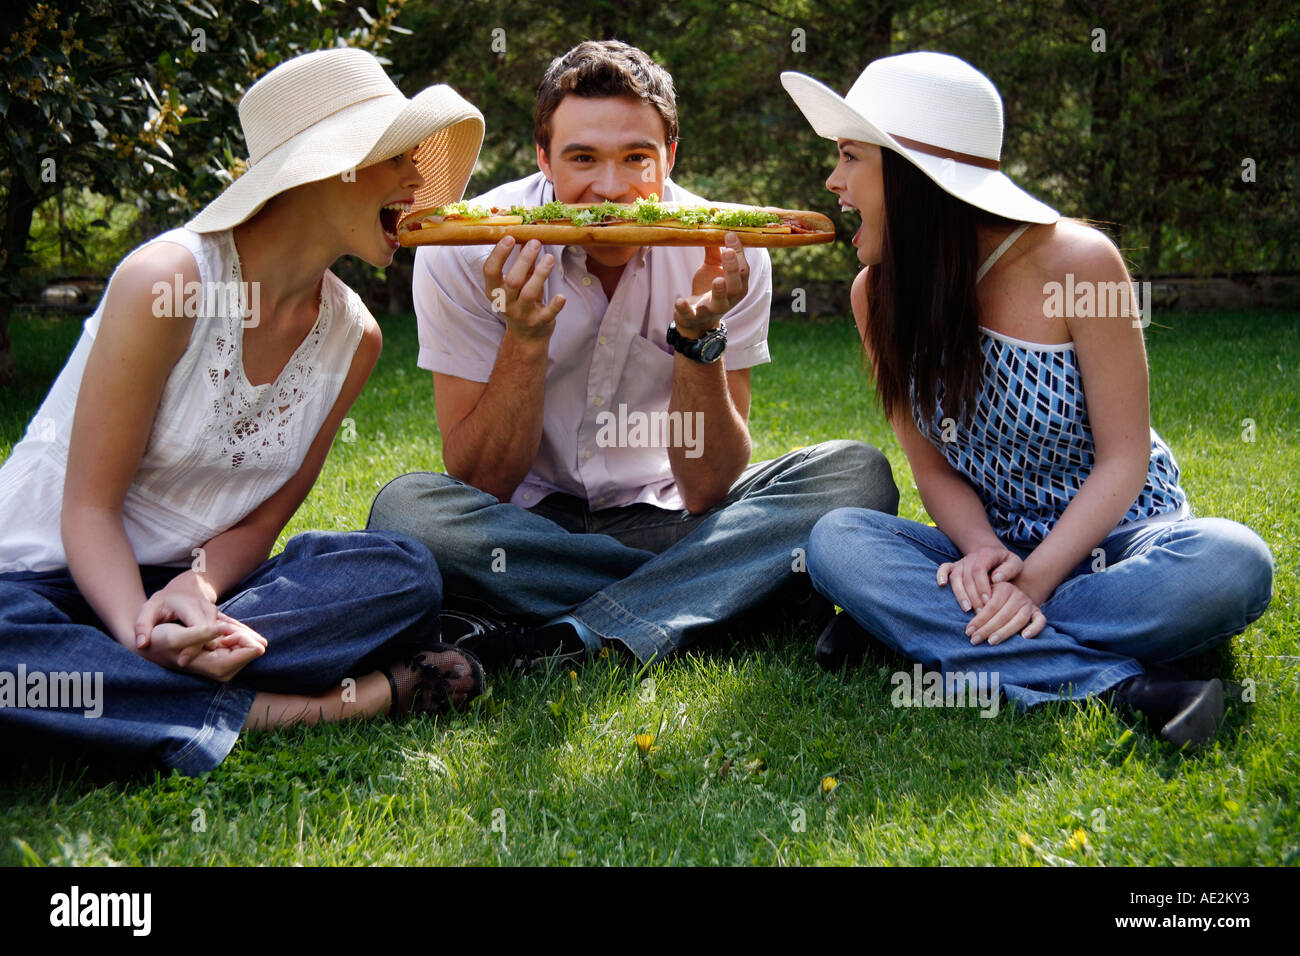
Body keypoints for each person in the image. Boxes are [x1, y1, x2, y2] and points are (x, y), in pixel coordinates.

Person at [0, 48, 489, 776]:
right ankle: (317, 707)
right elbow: (89, 513)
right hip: (46, 580)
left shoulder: (355, 337)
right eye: (396, 159)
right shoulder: (167, 281)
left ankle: (123, 696)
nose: (421, 182)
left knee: (401, 572)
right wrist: (143, 630)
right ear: (325, 167)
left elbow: (261, 524)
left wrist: (194, 590)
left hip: (209, 591)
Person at [782, 52, 1274, 747]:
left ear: (913, 175)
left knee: (1235, 564)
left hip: (1119, 546)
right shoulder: (875, 295)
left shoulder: (1079, 263)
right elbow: (934, 471)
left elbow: (1124, 459)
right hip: (985, 556)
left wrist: (1034, 584)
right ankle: (1126, 686)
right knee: (839, 542)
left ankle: (915, 632)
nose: (833, 181)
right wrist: (983, 549)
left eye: (850, 157)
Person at [367, 40, 897, 669]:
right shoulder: (461, 249)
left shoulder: (730, 250)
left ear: (669, 157)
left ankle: (558, 628)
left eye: (637, 159)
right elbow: (481, 480)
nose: (611, 189)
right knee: (408, 515)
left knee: (855, 475)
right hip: (528, 530)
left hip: (675, 518)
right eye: (583, 158)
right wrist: (525, 339)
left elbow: (706, 489)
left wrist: (699, 341)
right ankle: (726, 590)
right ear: (544, 159)